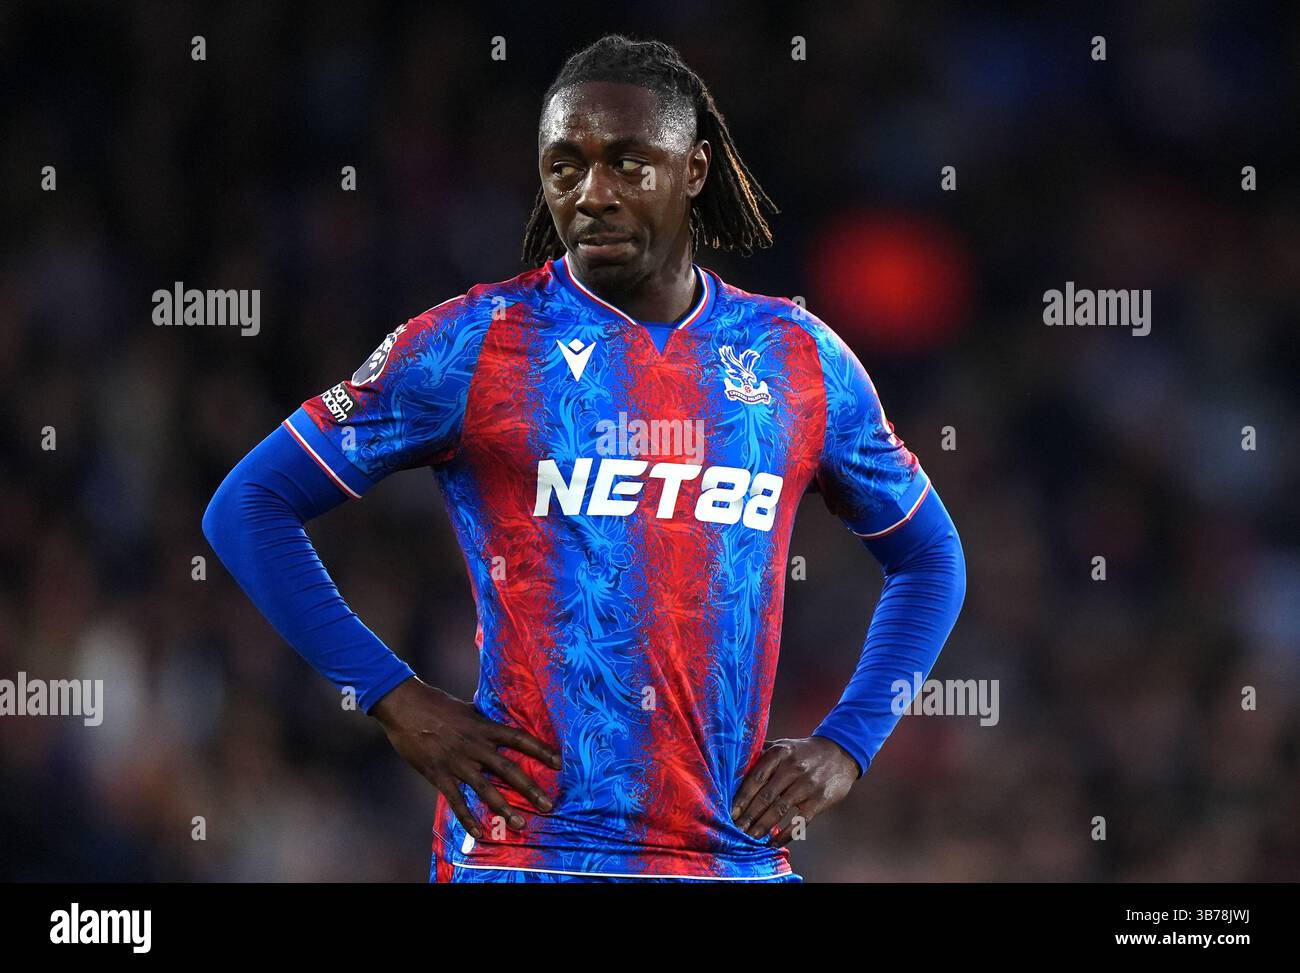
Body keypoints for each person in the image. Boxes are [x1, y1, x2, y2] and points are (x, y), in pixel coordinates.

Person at [202, 33, 965, 883]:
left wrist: (846, 744)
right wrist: (397, 699)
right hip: (525, 853)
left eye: (629, 164)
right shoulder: (476, 344)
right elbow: (247, 506)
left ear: (696, 170)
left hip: (732, 860)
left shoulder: (797, 358)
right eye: (565, 167)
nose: (592, 194)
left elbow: (931, 558)